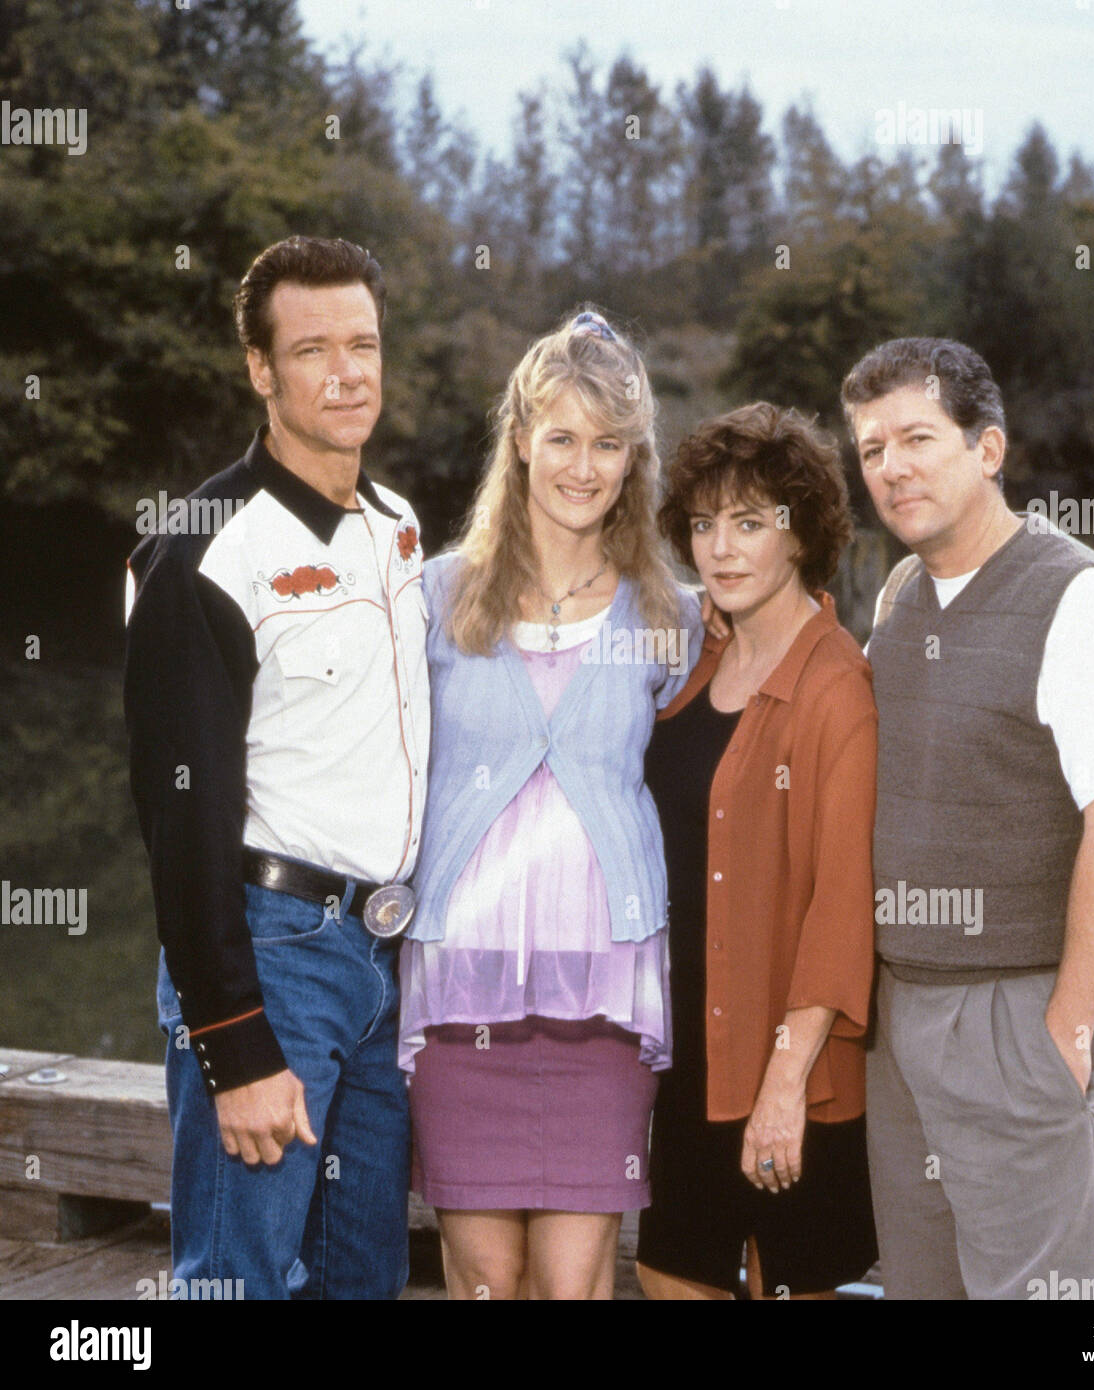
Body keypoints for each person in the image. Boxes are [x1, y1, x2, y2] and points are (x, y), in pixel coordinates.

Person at [124, 235, 427, 1299]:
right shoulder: (203, 551)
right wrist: (232, 1039)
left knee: (361, 1279)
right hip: (271, 958)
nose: (346, 374)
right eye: (311, 351)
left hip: (381, 962)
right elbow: (178, 819)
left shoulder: (397, 528)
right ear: (260, 369)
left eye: (363, 345)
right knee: (235, 1279)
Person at [845, 337, 1094, 1299]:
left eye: (917, 438)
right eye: (870, 449)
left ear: (987, 448)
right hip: (902, 1015)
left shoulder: (1080, 602)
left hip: (1019, 1015)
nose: (892, 467)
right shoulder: (900, 597)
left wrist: (1066, 1027)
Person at [400, 309, 705, 1300]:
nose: (583, 466)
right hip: (462, 988)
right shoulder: (435, 598)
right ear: (522, 438)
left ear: (633, 458)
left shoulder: (670, 615)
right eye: (563, 437)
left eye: (608, 444)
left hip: (604, 991)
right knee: (485, 1279)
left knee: (573, 1284)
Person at [635, 402, 879, 1300]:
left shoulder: (835, 690)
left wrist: (782, 1087)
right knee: (667, 1273)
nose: (720, 549)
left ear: (800, 533)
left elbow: (841, 911)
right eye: (703, 525)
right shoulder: (700, 653)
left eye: (749, 524)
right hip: (692, 1052)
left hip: (791, 1070)